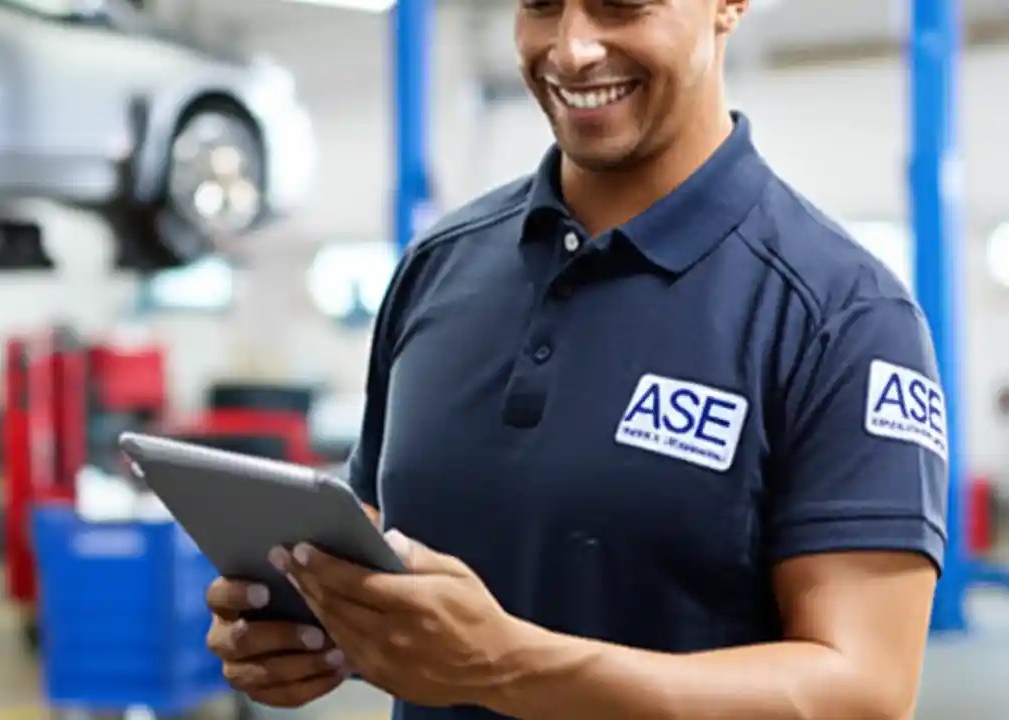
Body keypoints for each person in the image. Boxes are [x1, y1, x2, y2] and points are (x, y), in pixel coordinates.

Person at [205, 1, 948, 718]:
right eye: (541, 3)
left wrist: (509, 667)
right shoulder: (438, 267)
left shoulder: (843, 315)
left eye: (621, 4)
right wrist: (304, 621)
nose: (570, 49)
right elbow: (373, 529)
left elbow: (864, 692)